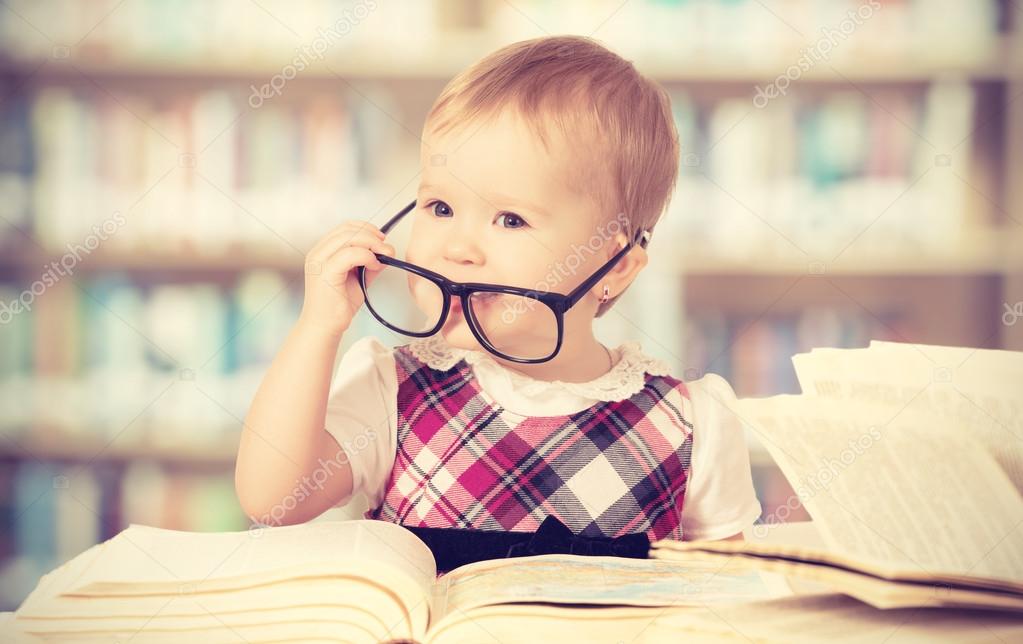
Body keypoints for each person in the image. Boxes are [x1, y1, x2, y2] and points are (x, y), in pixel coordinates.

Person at [236, 35, 761, 551]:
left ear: (615, 266)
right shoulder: (394, 391)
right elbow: (273, 500)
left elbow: (728, 594)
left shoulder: (691, 423)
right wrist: (317, 328)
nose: (459, 247)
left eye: (510, 219)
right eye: (440, 208)